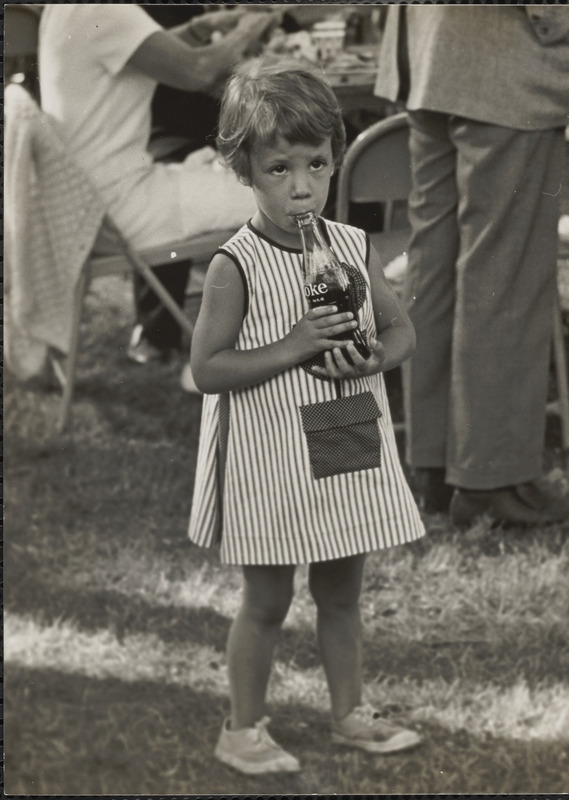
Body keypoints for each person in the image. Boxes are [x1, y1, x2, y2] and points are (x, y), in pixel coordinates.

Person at [187, 65, 425, 775]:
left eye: (316, 164)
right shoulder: (239, 266)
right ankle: (243, 728)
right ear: (245, 170)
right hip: (266, 450)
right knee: (267, 596)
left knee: (341, 591)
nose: (301, 186)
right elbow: (206, 370)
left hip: (342, 429)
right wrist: (291, 345)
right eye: (279, 167)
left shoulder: (351, 248)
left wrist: (372, 359)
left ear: (336, 158)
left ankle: (350, 713)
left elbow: (402, 331)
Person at [375, 6, 569, 526]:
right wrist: (562, 18)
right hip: (506, 58)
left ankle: (435, 467)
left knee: (435, 267)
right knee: (502, 276)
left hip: (433, 54)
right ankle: (492, 478)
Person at [38, 5, 277, 365]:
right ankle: (272, 346)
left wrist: (200, 27)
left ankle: (258, 336)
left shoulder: (66, 10)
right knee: (285, 191)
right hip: (120, 210)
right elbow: (196, 70)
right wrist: (248, 29)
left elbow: (144, 49)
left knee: (269, 179)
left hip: (92, 206)